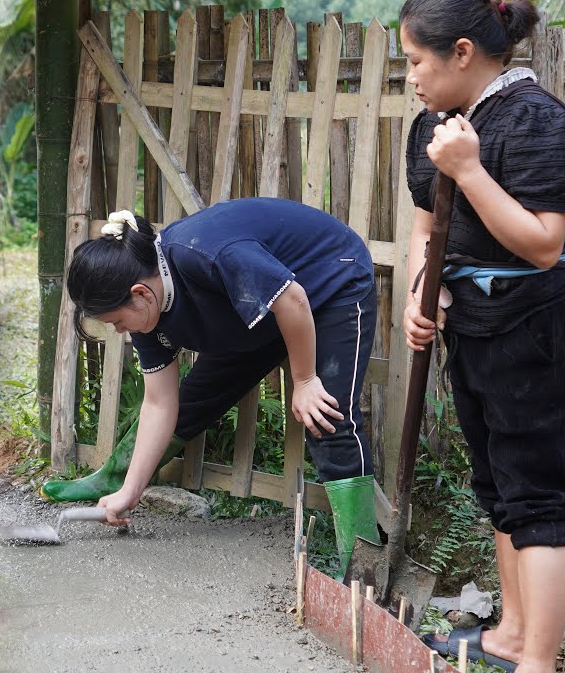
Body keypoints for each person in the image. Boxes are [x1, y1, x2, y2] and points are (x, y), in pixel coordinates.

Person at [400, 0, 565, 673]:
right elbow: (428, 229)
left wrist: (469, 169)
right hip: (472, 324)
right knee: (499, 483)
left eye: (416, 62)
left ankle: (538, 661)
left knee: (536, 493)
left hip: (533, 325)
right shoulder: (435, 124)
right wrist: (419, 296)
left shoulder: (534, 120)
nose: (411, 78)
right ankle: (509, 635)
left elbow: (542, 243)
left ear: (461, 52)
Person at [41, 197, 379, 575]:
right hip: (263, 312)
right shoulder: (146, 311)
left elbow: (292, 299)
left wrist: (305, 380)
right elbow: (159, 403)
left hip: (329, 283)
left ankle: (363, 566)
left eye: (116, 322)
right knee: (192, 400)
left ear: (140, 294)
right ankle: (117, 479)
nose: (119, 331)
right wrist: (131, 493)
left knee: (327, 416)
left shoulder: (207, 253)